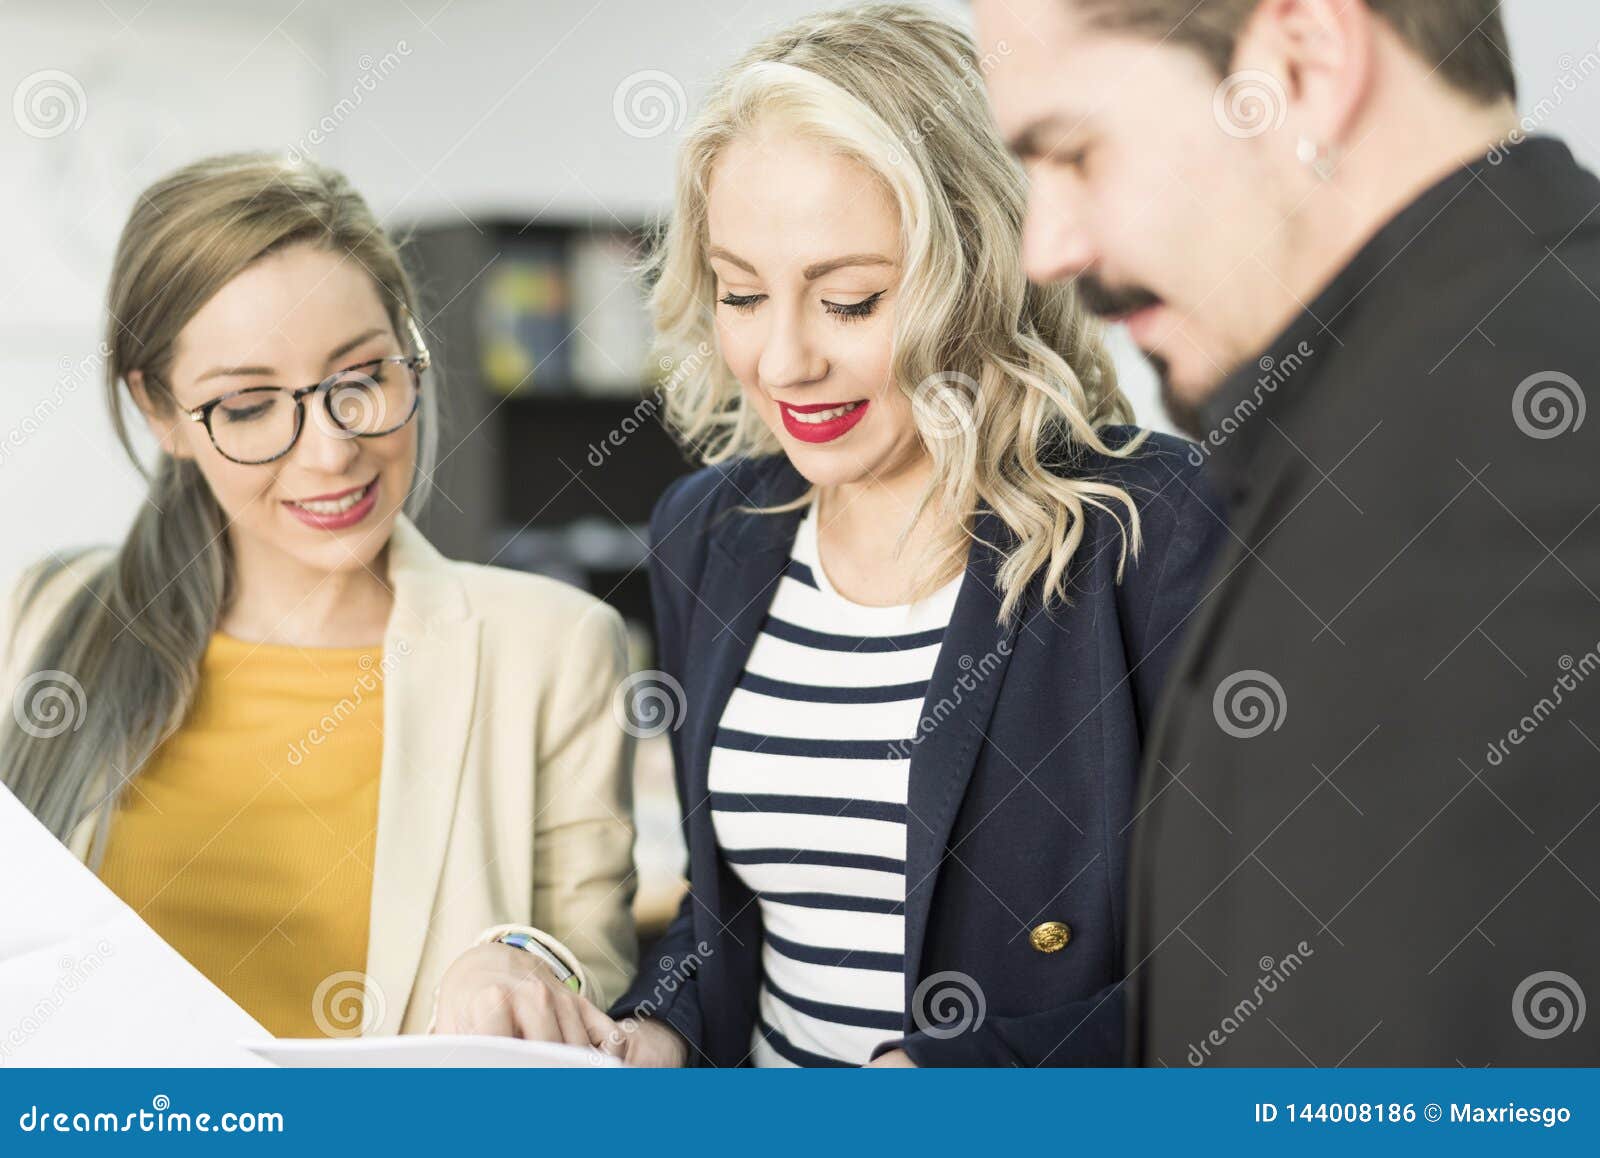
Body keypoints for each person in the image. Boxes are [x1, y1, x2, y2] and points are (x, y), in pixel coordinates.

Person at [434, 3, 1224, 1067]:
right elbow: (733, 921)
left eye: (849, 301)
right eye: (742, 293)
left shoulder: (1155, 530)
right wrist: (657, 1027)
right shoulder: (710, 531)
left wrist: (957, 1077)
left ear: (982, 270)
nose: (783, 360)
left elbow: (1258, 974)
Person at [976, 0, 1600, 1064]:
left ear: (1304, 62)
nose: (1046, 248)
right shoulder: (1410, 409)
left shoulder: (1484, 486)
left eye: (1075, 152)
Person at [0, 153, 637, 1038]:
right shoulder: (42, 615)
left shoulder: (554, 646)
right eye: (250, 405)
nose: (330, 452)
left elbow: (591, 967)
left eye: (361, 379)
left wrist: (523, 959)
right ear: (161, 413)